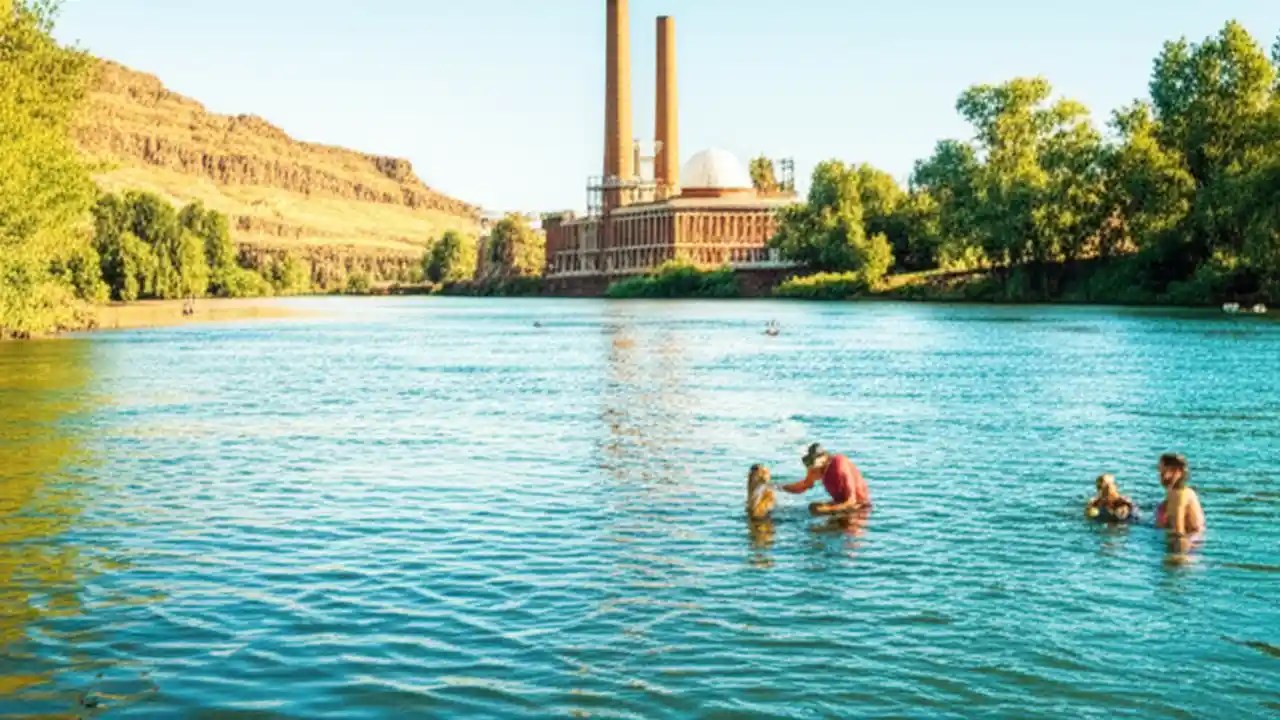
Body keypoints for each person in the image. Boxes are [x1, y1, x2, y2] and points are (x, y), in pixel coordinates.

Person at [781, 443, 871, 515]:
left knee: (847, 533)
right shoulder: (815, 468)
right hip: (839, 504)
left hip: (858, 508)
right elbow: (805, 485)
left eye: (812, 461)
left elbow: (852, 501)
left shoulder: (840, 465)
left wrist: (827, 509)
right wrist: (778, 487)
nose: (810, 467)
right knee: (812, 509)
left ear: (824, 458)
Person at [1155, 453, 1205, 535]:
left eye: (1163, 472)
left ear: (1177, 472)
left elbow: (1179, 533)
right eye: (1160, 472)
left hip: (1187, 542)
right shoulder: (1180, 492)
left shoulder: (1180, 496)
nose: (1160, 477)